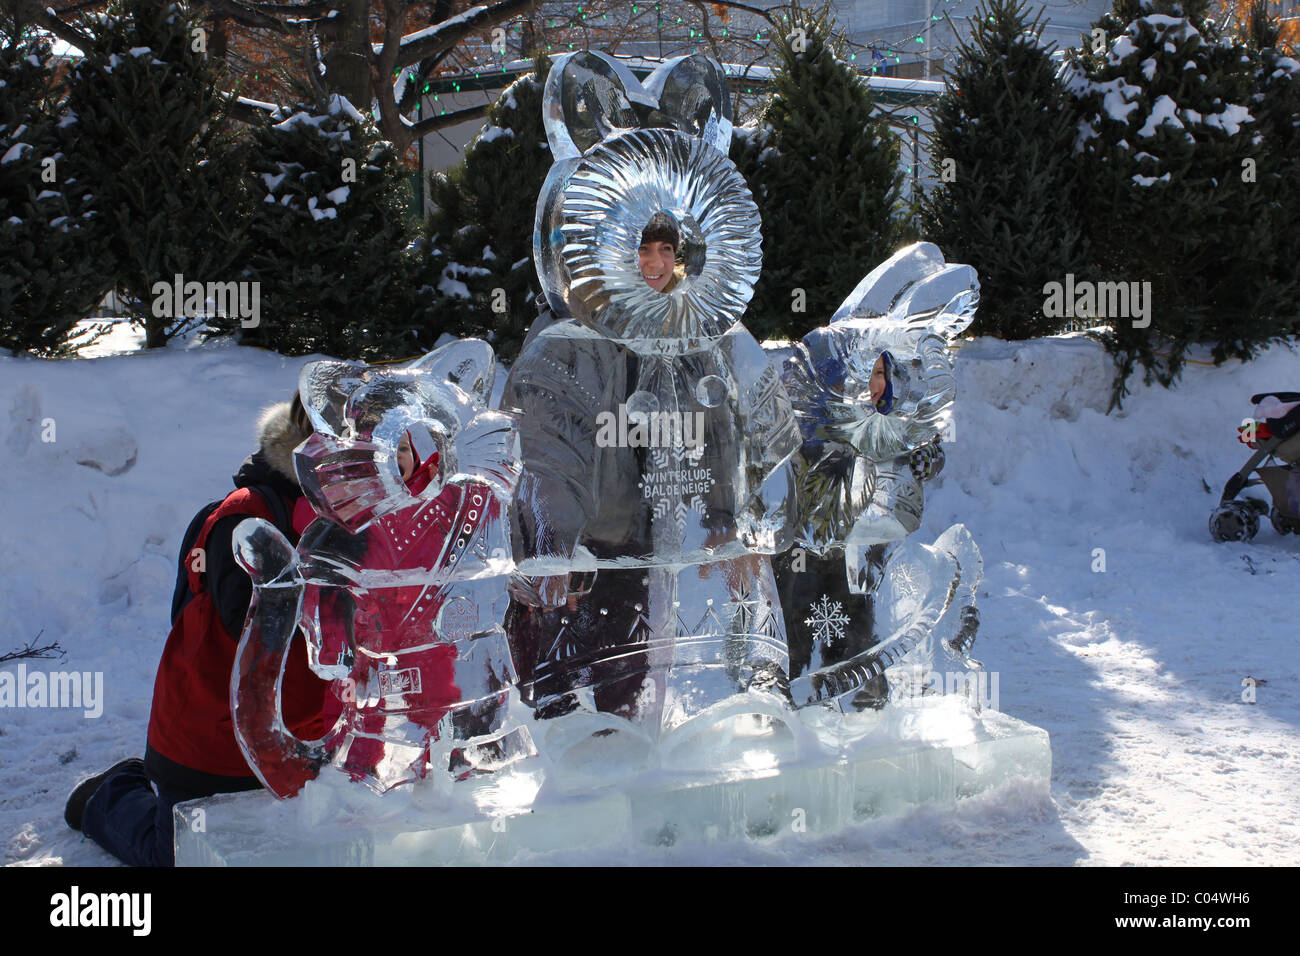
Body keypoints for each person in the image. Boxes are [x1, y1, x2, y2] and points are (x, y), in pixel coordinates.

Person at [64, 394, 327, 866]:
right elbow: (254, 625)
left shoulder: (349, 515)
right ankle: (111, 796)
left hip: (299, 738)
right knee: (183, 858)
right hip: (213, 743)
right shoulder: (246, 516)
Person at [638, 212, 685, 294]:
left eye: (666, 248)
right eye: (643, 248)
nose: (657, 264)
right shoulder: (609, 297)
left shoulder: (684, 294)